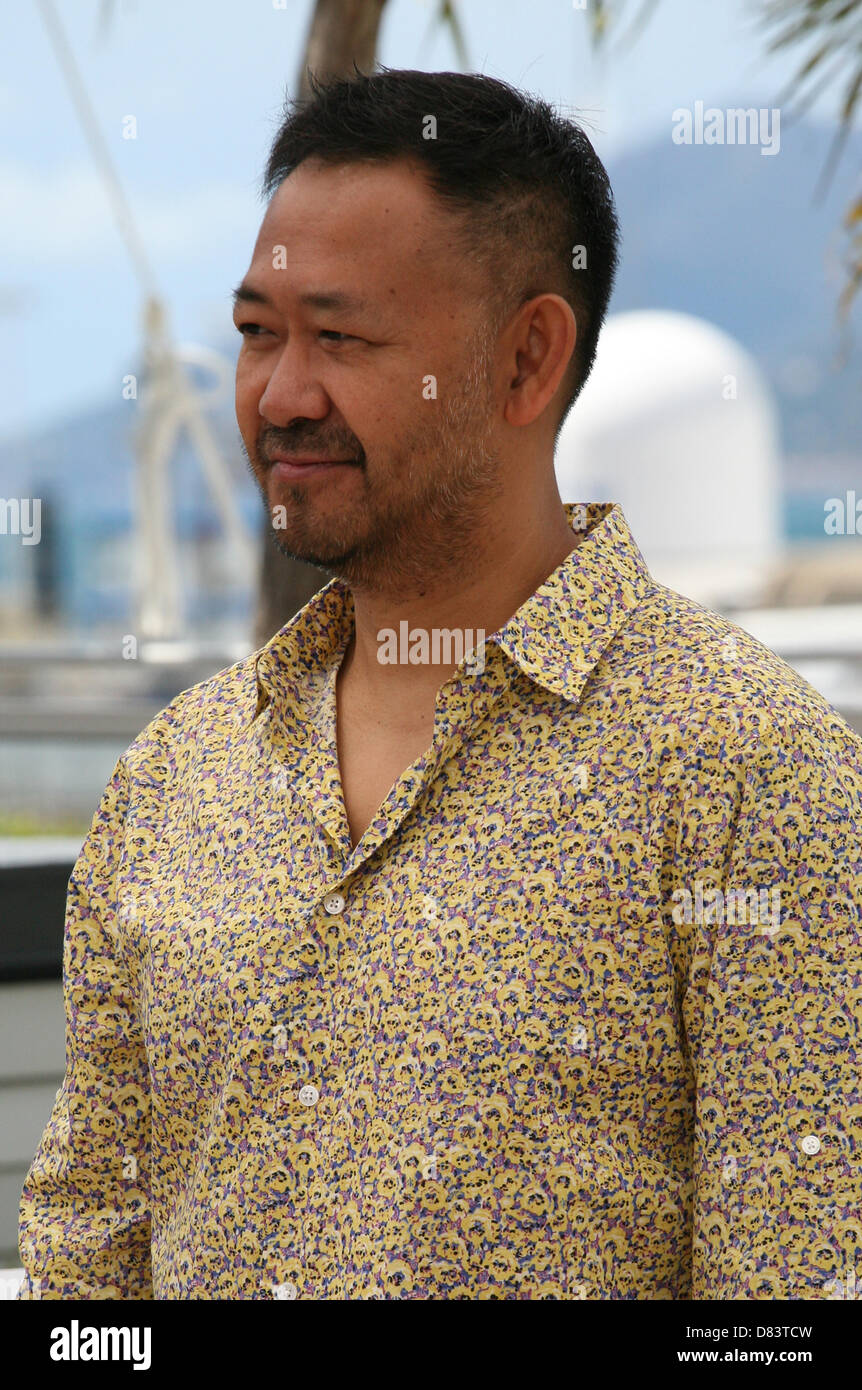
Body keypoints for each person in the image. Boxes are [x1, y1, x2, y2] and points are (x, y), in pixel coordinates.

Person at [18, 68, 861, 1301]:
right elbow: (87, 1266)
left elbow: (790, 1303)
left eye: (342, 338)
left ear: (527, 359)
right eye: (258, 330)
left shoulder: (748, 772)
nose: (278, 395)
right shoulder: (175, 775)